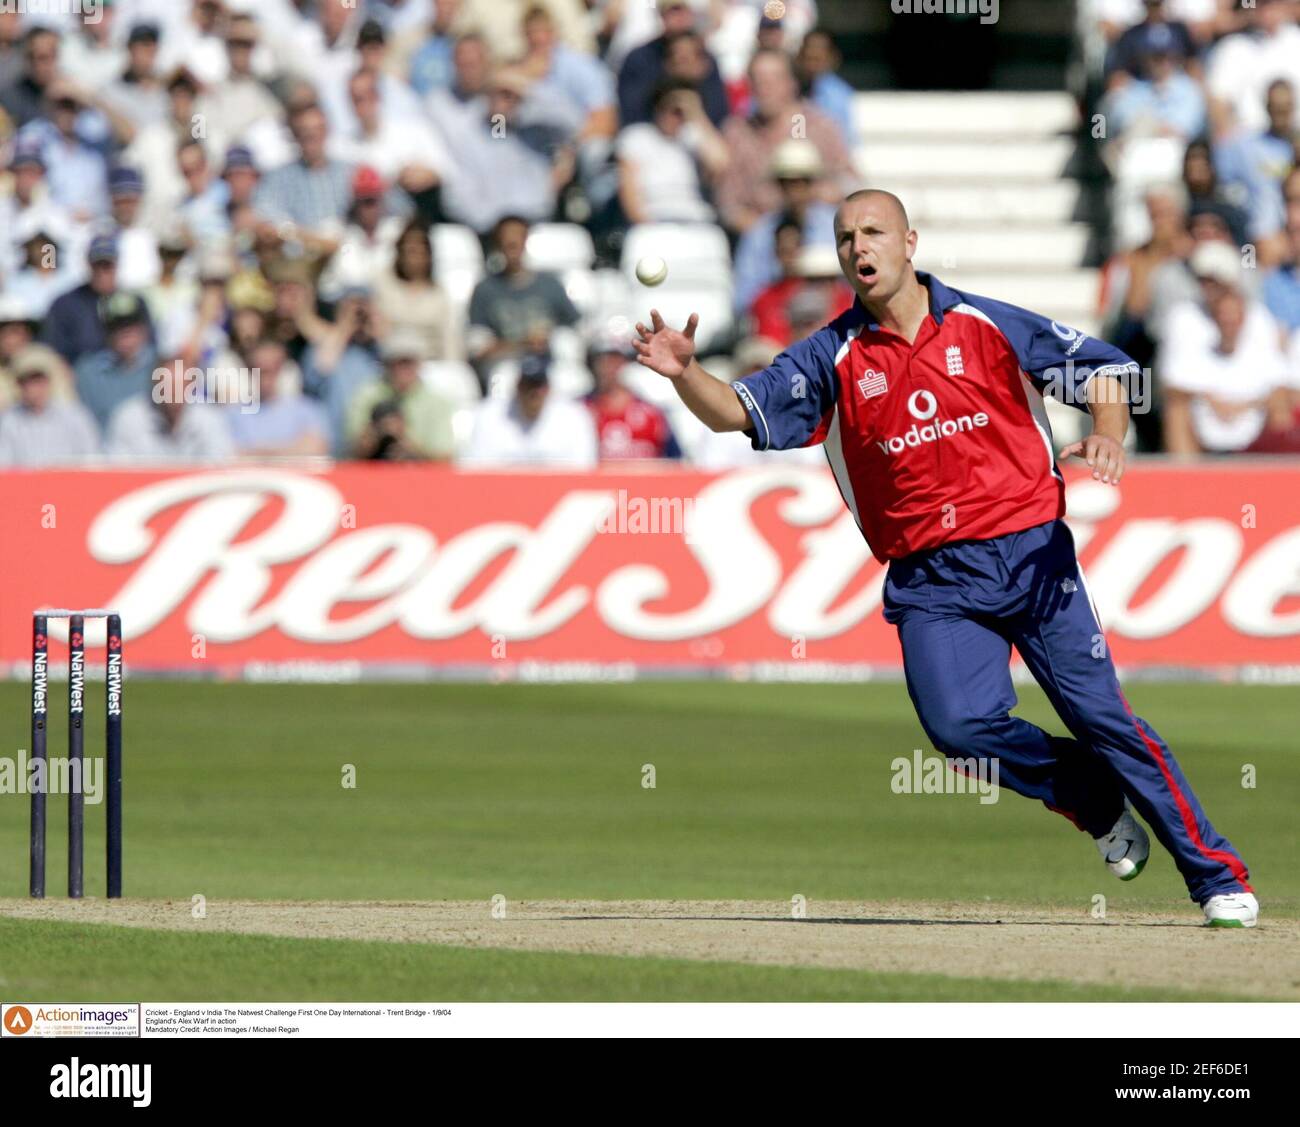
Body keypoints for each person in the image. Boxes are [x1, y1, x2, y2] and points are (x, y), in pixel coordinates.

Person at [632, 187, 1258, 928]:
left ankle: (1216, 875)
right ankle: (1090, 796)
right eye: (844, 239)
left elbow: (1106, 373)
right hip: (933, 578)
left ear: (909, 242)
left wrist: (1111, 435)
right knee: (959, 728)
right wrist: (684, 376)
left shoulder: (984, 321)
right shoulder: (833, 355)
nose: (858, 248)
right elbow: (740, 411)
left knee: (1105, 719)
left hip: (1033, 559)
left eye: (872, 232)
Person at [1159, 241, 1295, 453]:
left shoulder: (1259, 318)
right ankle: (1185, 479)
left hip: (1253, 423)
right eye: (1204, 279)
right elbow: (1172, 386)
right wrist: (1210, 400)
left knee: (1282, 410)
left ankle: (1276, 477)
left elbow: (1283, 388)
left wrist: (1245, 406)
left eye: (1215, 280)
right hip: (1203, 423)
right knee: (1176, 410)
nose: (1209, 287)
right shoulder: (1184, 318)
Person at [466, 214, 580, 390]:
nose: (512, 244)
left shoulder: (549, 284)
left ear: (526, 239)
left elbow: (577, 328)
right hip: (509, 367)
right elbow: (479, 350)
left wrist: (548, 338)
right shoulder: (485, 290)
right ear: (498, 244)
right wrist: (523, 343)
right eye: (507, 239)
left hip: (549, 362)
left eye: (517, 238)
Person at [461, 351, 597, 467]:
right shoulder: (488, 416)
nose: (534, 393)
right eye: (528, 385)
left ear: (549, 388)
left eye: (539, 386)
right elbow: (476, 469)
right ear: (518, 386)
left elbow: (583, 471)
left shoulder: (574, 418)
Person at [346, 330, 455, 460]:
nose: (403, 369)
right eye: (397, 362)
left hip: (420, 476)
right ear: (386, 364)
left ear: (419, 364)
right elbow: (351, 453)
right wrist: (377, 434)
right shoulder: (367, 396)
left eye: (408, 362)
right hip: (371, 473)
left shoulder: (437, 402)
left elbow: (445, 459)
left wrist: (405, 441)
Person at [584, 333, 680, 460]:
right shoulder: (581, 410)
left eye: (615, 359)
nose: (607, 366)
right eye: (602, 359)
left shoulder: (652, 414)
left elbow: (675, 462)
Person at [0, 347, 101, 467]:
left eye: (38, 381)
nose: (34, 389)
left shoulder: (74, 415)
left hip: (70, 482)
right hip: (24, 483)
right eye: (27, 382)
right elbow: (4, 465)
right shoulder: (8, 420)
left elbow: (92, 458)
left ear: (48, 381)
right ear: (19, 386)